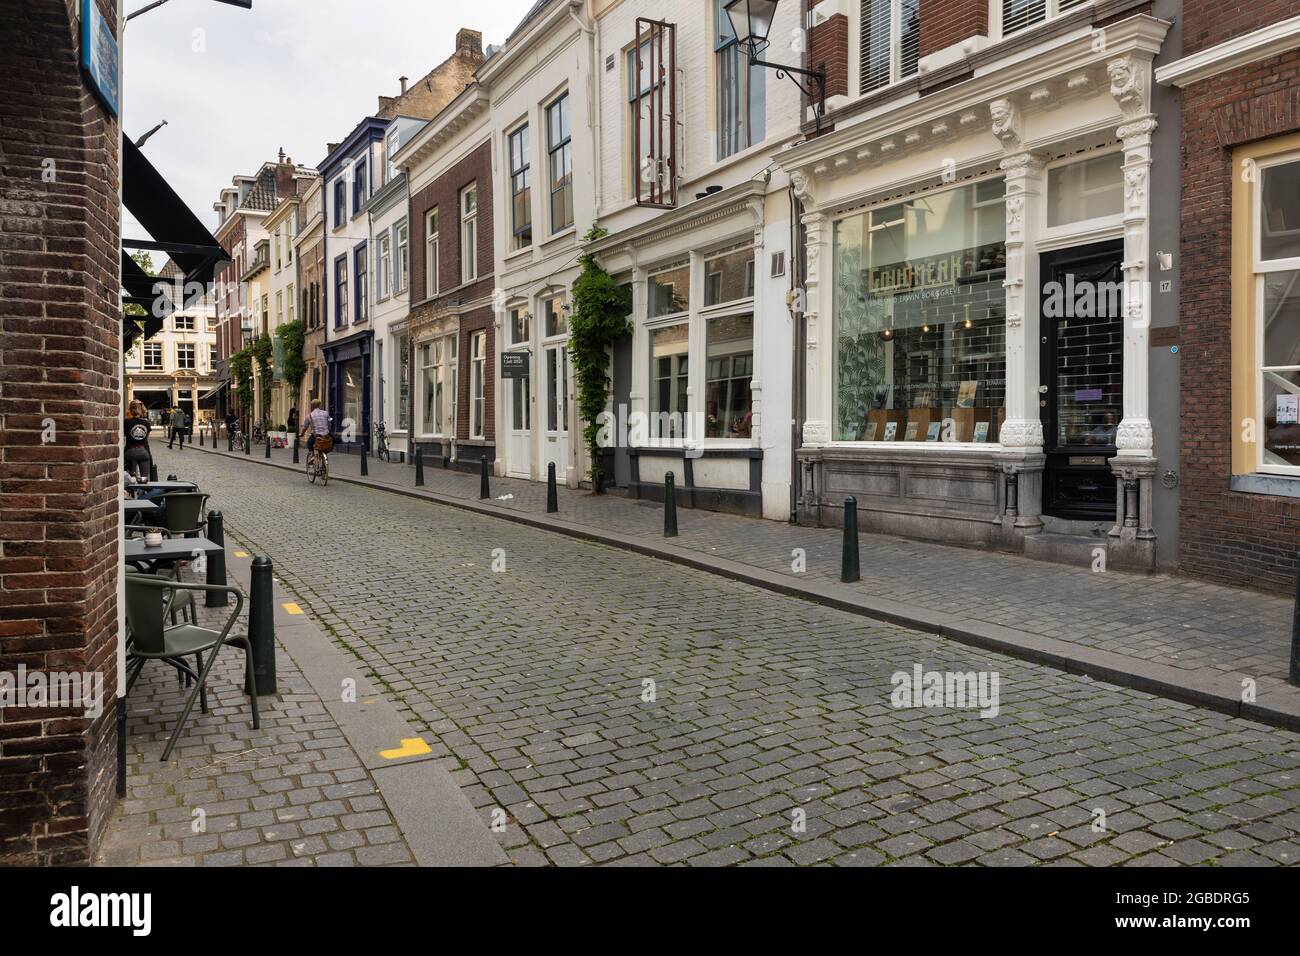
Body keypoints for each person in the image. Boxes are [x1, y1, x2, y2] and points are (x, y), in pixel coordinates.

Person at [124, 400, 152, 479]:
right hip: (144, 451)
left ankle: (131, 490)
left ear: (130, 410)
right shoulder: (146, 423)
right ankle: (144, 488)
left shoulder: (126, 422)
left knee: (130, 478)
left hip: (130, 451)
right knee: (145, 477)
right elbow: (146, 439)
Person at [299, 399, 331, 464]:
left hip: (317, 436)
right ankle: (324, 462)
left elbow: (305, 427)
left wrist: (301, 434)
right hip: (326, 435)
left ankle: (313, 456)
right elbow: (329, 423)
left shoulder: (309, 416)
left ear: (312, 406)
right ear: (319, 405)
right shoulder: (326, 413)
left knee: (309, 443)